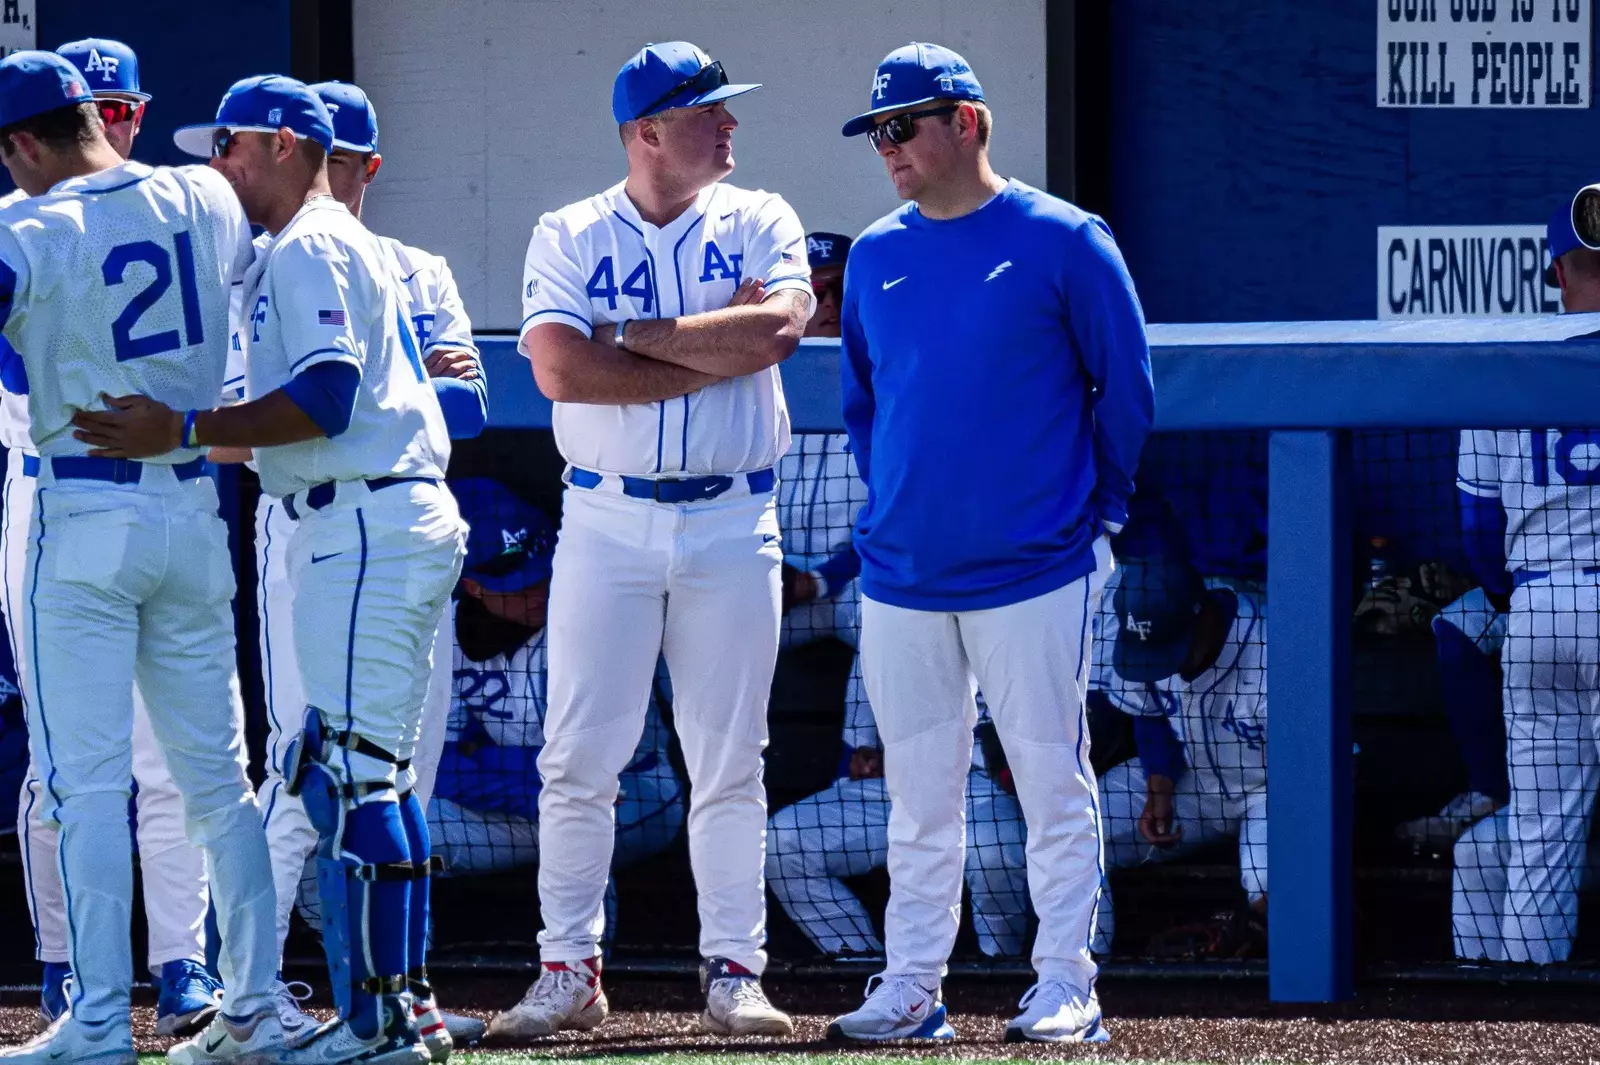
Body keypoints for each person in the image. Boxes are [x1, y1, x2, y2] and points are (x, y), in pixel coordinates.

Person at [80, 74, 467, 1062]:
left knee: (348, 778)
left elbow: (329, 396)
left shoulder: (312, 243)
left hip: (363, 516)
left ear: (288, 144)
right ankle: (398, 1007)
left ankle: (381, 1026)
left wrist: (187, 426)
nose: (222, 164)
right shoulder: (310, 247)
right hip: (370, 514)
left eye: (234, 145)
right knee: (369, 775)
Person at [828, 43, 1153, 1044]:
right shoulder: (876, 254)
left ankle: (1067, 983)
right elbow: (862, 407)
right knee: (917, 801)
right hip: (903, 579)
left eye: (902, 126)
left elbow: (1126, 394)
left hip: (1034, 571)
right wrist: (893, 515)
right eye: (877, 131)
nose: (886, 148)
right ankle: (912, 986)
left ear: (963, 122)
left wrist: (1094, 519)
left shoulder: (1066, 239)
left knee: (1052, 782)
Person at [487, 41, 810, 1041]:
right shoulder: (570, 230)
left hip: (730, 515)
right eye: (705, 108)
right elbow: (555, 370)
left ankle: (734, 970)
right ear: (645, 131)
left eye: (724, 106)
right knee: (578, 756)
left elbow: (774, 333)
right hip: (606, 518)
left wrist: (632, 333)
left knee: (729, 760)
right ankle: (568, 967)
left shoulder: (760, 215)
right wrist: (700, 345)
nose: (729, 122)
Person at [0, 51, 288, 1064]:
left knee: (85, 783)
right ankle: (256, 1007)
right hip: (190, 505)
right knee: (217, 779)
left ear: (23, 142)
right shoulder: (203, 192)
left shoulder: (22, 224)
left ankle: (94, 1021)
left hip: (80, 514)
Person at [227, 78, 486, 1055]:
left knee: (382, 774)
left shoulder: (402, 263)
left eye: (346, 157)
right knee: (310, 774)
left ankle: (388, 1008)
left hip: (383, 514)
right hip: (312, 525)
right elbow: (276, 409)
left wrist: (378, 377)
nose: (329, 172)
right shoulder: (261, 264)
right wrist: (397, 373)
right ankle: (252, 996)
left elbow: (458, 405)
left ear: (363, 163)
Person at [388, 478, 683, 897]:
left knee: (577, 832)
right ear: (473, 586)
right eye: (518, 585)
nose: (537, 592)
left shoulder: (598, 618)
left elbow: (586, 768)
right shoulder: (439, 632)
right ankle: (409, 960)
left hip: (636, 793)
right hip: (525, 799)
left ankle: (577, 961)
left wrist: (486, 760)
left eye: (542, 574)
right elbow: (443, 764)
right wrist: (525, 785)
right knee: (394, 833)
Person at [1450, 199, 1600, 963]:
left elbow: (1477, 528)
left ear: (1553, 272)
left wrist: (1517, 602)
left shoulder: (1508, 355)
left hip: (1540, 605)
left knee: (1540, 838)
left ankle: (1520, 1015)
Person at [766, 690, 1028, 961]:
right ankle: (858, 968)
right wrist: (861, 744)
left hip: (987, 787)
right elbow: (862, 656)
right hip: (895, 781)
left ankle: (999, 970)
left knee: (992, 851)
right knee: (785, 841)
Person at [1092, 556, 1268, 957]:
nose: (1163, 662)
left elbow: (1330, 772)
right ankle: (1087, 978)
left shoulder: (1273, 650)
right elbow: (1148, 710)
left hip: (1273, 795)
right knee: (1077, 832)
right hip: (1190, 782)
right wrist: (1160, 781)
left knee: (1271, 890)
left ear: (1203, 616)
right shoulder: (1139, 634)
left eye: (1170, 648)